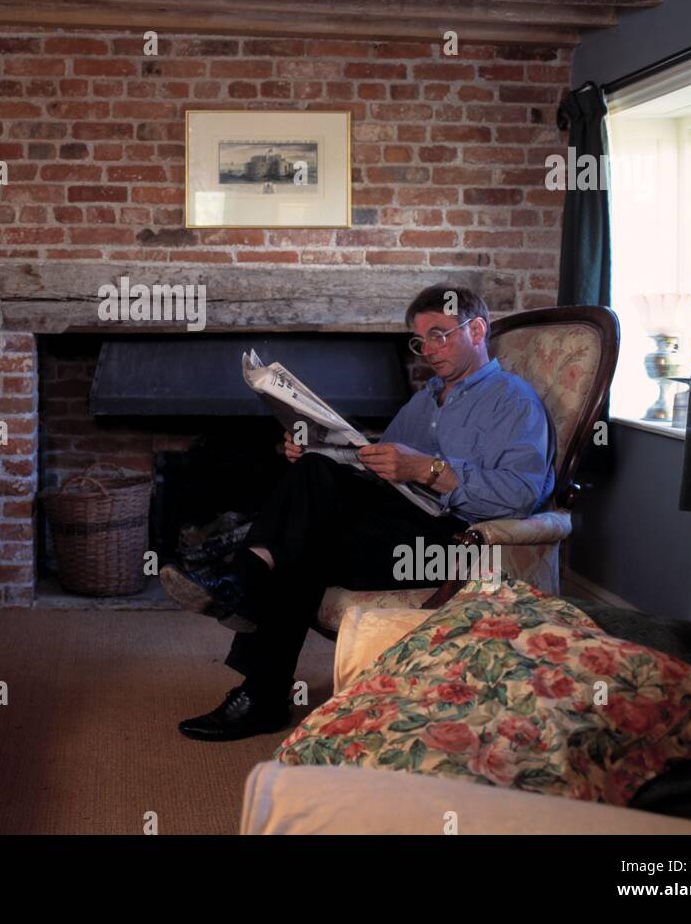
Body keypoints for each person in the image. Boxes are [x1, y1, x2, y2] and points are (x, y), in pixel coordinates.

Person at [160, 284, 557, 741]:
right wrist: (327, 450)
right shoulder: (425, 398)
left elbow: (524, 493)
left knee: (301, 539)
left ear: (478, 329)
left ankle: (247, 607)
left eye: (440, 335)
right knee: (312, 477)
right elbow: (377, 466)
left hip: (454, 545)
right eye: (421, 341)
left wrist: (430, 470)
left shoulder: (514, 401)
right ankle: (259, 676)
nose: (429, 350)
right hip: (396, 525)